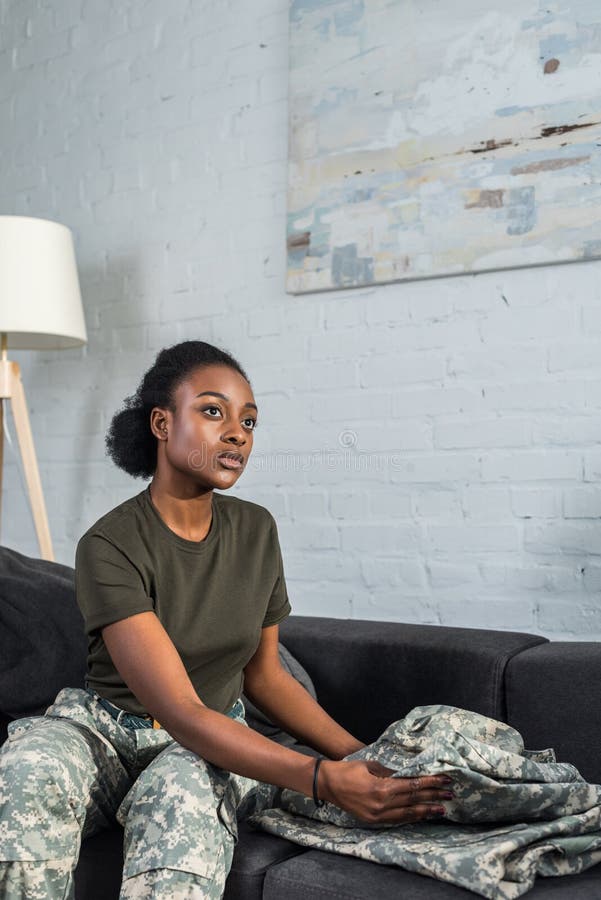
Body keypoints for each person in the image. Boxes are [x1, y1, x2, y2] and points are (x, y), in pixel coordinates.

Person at [0, 340, 453, 899]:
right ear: (162, 423)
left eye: (250, 420)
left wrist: (360, 757)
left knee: (180, 786)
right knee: (30, 761)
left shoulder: (256, 531)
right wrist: (321, 780)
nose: (238, 432)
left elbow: (265, 676)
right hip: (109, 734)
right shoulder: (109, 544)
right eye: (213, 411)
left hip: (210, 738)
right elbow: (180, 711)